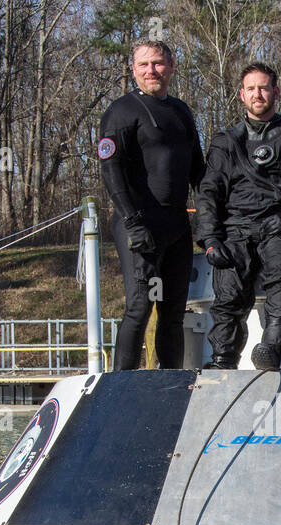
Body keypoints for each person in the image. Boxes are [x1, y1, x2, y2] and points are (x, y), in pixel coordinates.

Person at [196, 63, 281, 371]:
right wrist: (209, 239)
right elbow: (208, 194)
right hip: (236, 230)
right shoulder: (225, 143)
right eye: (251, 89)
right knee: (228, 296)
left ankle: (271, 348)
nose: (258, 94)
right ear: (241, 94)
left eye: (264, 87)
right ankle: (222, 361)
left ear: (275, 91)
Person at [97, 40, 204, 370]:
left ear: (171, 66)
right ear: (133, 70)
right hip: (138, 224)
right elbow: (110, 169)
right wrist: (132, 220)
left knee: (174, 311)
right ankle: (120, 385)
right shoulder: (120, 112)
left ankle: (169, 383)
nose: (151, 71)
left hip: (176, 226)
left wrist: (211, 215)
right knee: (139, 306)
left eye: (158, 63)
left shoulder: (181, 111)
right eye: (143, 65)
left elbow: (198, 170)